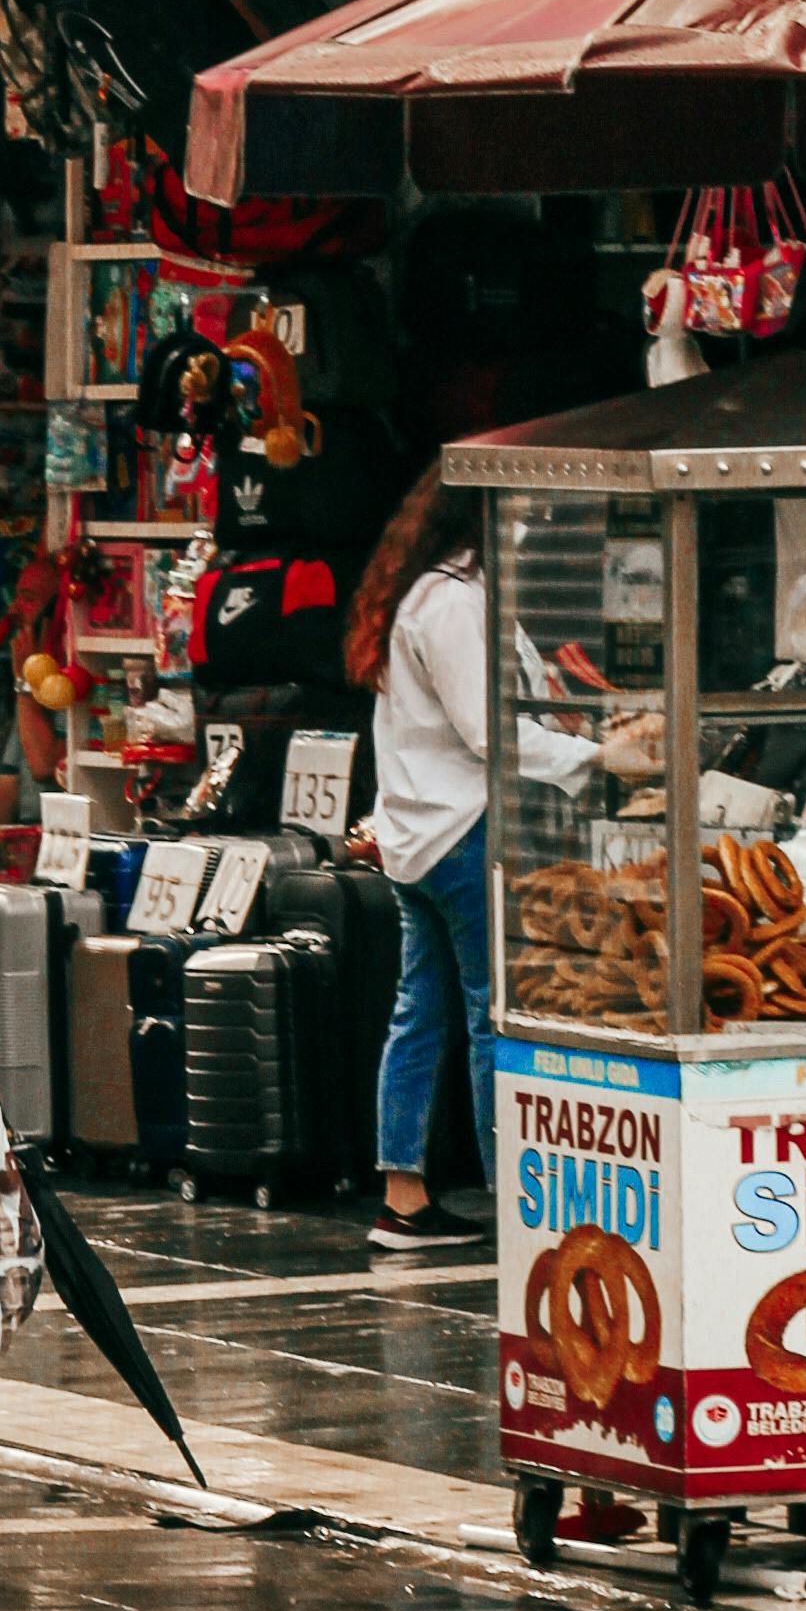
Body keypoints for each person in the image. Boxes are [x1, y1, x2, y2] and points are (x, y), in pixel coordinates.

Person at [348, 458, 601, 1259]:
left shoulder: (421, 594)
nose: (526, 530)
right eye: (515, 515)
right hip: (462, 834)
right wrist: (596, 757)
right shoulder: (453, 604)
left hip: (417, 836)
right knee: (497, 1012)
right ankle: (513, 1196)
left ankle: (403, 1196)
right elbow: (491, 732)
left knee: (420, 1011)